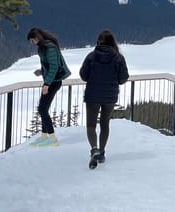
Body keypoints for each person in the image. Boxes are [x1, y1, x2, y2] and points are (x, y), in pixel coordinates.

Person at [80, 29, 129, 169]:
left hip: (92, 95)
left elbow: (83, 75)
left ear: (98, 41)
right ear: (112, 42)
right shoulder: (118, 58)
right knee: (104, 124)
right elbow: (123, 78)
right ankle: (101, 152)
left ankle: (94, 149)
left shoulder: (91, 56)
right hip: (110, 96)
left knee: (91, 125)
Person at [27, 27, 71, 147]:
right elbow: (49, 65)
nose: (32, 43)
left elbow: (54, 66)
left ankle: (52, 138)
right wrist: (42, 71)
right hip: (51, 80)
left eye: (32, 40)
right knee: (43, 108)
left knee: (42, 108)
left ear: (37, 38)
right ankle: (44, 136)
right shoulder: (45, 47)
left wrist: (47, 84)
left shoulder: (49, 47)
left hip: (53, 82)